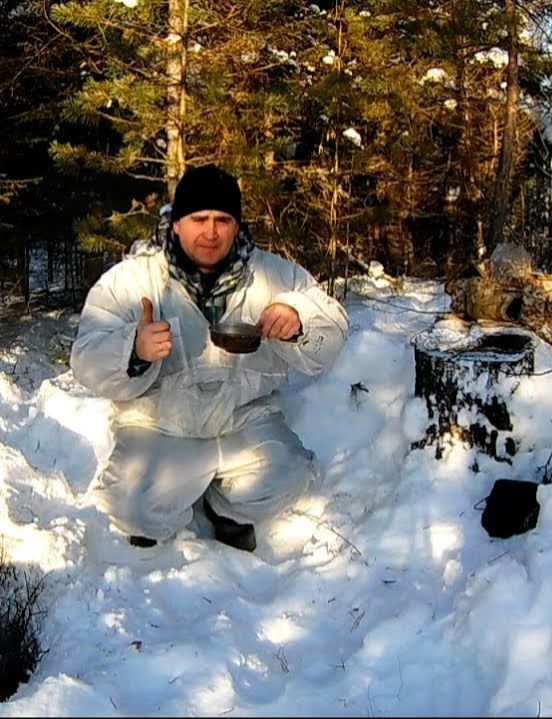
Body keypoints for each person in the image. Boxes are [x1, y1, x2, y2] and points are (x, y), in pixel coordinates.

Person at [70, 165, 349, 552]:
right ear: (176, 224)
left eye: (223, 220)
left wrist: (299, 318)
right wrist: (133, 349)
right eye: (199, 219)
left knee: (291, 474)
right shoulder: (131, 280)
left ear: (237, 226)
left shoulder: (273, 275)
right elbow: (84, 357)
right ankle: (169, 503)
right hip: (162, 427)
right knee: (133, 508)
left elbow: (334, 323)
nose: (211, 232)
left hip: (244, 420)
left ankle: (229, 512)